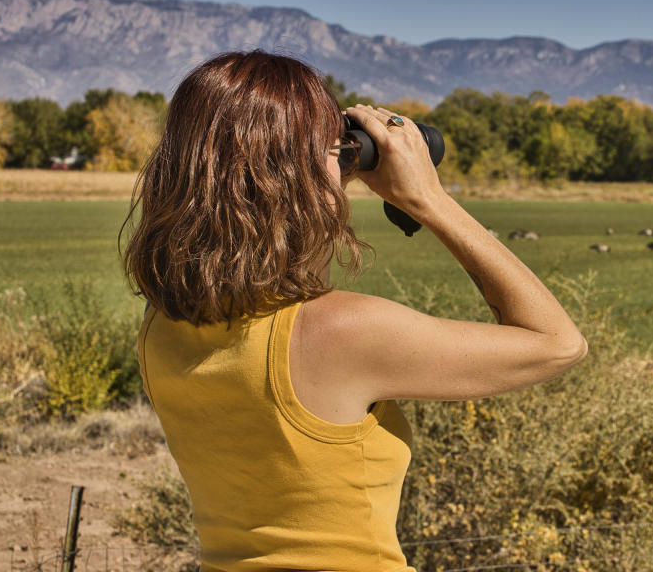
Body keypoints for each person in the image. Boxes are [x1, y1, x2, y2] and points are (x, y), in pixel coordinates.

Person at [123, 50, 587, 572]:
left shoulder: (162, 327)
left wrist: (320, 167)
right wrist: (429, 200)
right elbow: (558, 343)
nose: (345, 167)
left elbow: (261, 279)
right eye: (334, 152)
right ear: (286, 174)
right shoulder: (340, 333)